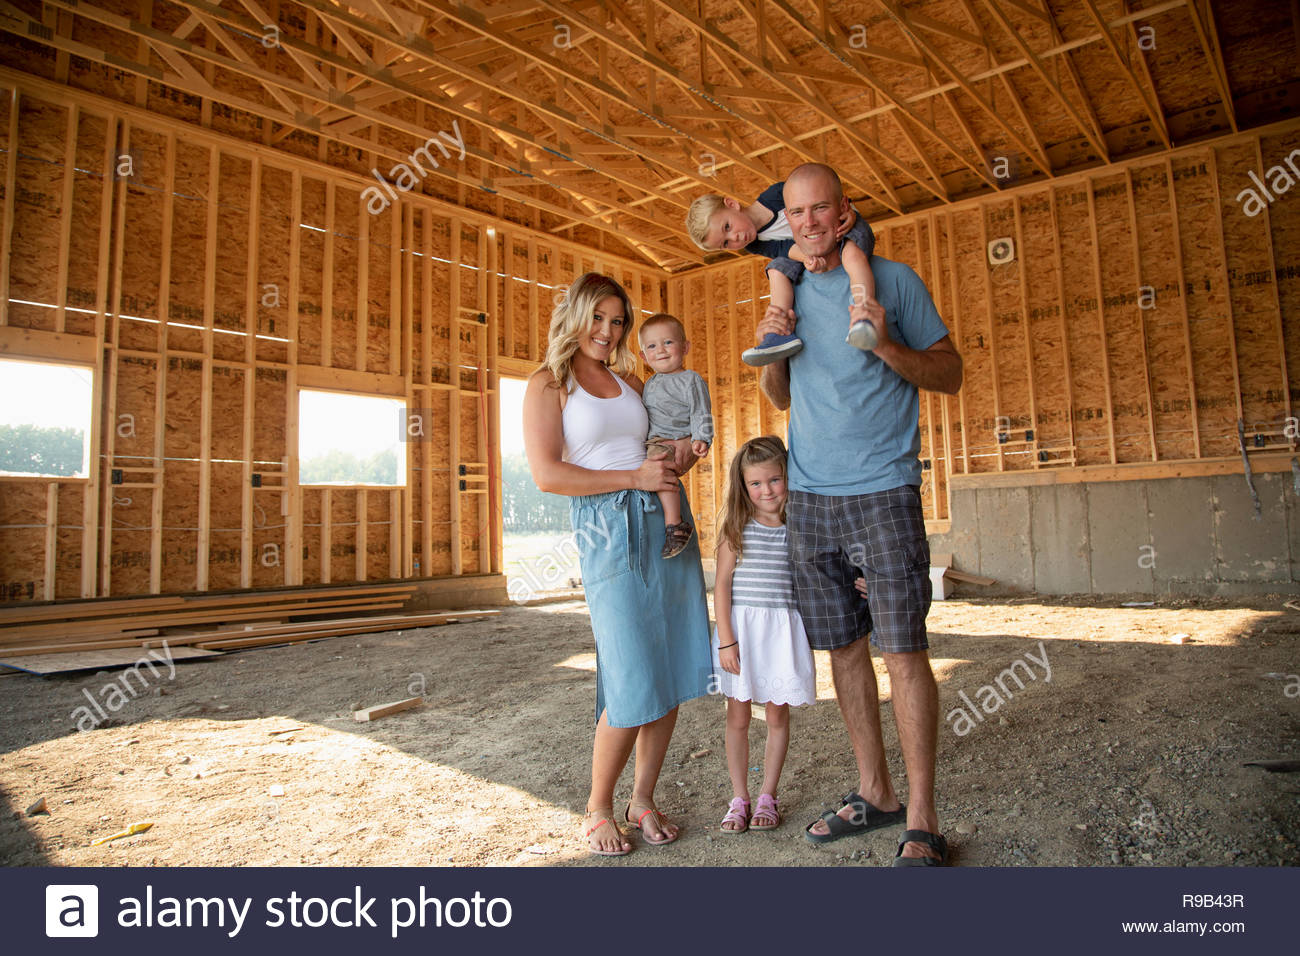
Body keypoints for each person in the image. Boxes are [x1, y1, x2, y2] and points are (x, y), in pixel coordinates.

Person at [755, 164, 963, 866]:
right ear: (788, 221)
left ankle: (924, 819)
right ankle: (877, 794)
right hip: (811, 498)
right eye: (797, 213)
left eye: (822, 210)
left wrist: (888, 344)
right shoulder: (787, 289)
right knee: (844, 649)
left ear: (844, 214)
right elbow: (780, 400)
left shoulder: (893, 281)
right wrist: (770, 346)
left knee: (903, 652)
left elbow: (950, 372)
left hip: (883, 489)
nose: (810, 223)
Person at [523, 272, 714, 857]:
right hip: (607, 528)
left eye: (618, 321)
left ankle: (644, 799)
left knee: (674, 664)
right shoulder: (547, 384)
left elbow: (667, 441)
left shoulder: (635, 381)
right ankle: (598, 807)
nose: (609, 332)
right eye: (599, 318)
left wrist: (682, 453)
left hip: (666, 520)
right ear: (575, 316)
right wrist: (632, 477)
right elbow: (548, 474)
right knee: (630, 667)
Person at [711, 436, 815, 835]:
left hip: (782, 632)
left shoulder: (797, 526)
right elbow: (721, 585)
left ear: (787, 477)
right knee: (737, 716)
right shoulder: (736, 526)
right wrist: (726, 639)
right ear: (744, 486)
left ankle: (768, 795)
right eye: (756, 484)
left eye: (774, 480)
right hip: (743, 634)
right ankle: (739, 797)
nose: (766, 490)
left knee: (776, 714)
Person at [686, 182, 879, 367]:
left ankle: (865, 312)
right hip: (809, 245)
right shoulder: (754, 244)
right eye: (726, 244)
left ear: (732, 204)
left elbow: (822, 195)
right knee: (776, 269)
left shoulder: (778, 194)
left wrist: (848, 212)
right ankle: (778, 331)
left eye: (727, 227)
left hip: (841, 227)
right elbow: (785, 249)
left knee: (852, 255)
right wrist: (807, 259)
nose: (734, 238)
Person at [638, 313, 713, 558]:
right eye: (652, 346)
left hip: (678, 437)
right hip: (655, 440)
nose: (660, 350)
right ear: (643, 356)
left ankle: (675, 524)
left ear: (685, 347)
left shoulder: (690, 380)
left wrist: (701, 438)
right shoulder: (649, 383)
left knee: (661, 469)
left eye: (668, 342)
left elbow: (701, 411)